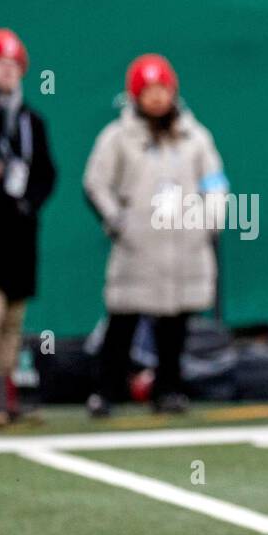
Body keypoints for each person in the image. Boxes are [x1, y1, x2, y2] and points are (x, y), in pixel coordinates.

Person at [83, 55, 225, 417]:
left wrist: (210, 221)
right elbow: (96, 184)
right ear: (135, 96)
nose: (158, 98)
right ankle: (107, 390)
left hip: (185, 248)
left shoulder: (195, 137)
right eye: (149, 92)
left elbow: (215, 183)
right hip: (138, 248)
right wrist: (119, 221)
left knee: (174, 326)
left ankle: (169, 389)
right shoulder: (117, 138)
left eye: (163, 89)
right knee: (123, 321)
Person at [0, 28, 57, 425]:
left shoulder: (30, 121)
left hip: (18, 234)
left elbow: (46, 174)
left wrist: (27, 202)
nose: (6, 73)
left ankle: (5, 392)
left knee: (14, 319)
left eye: (12, 66)